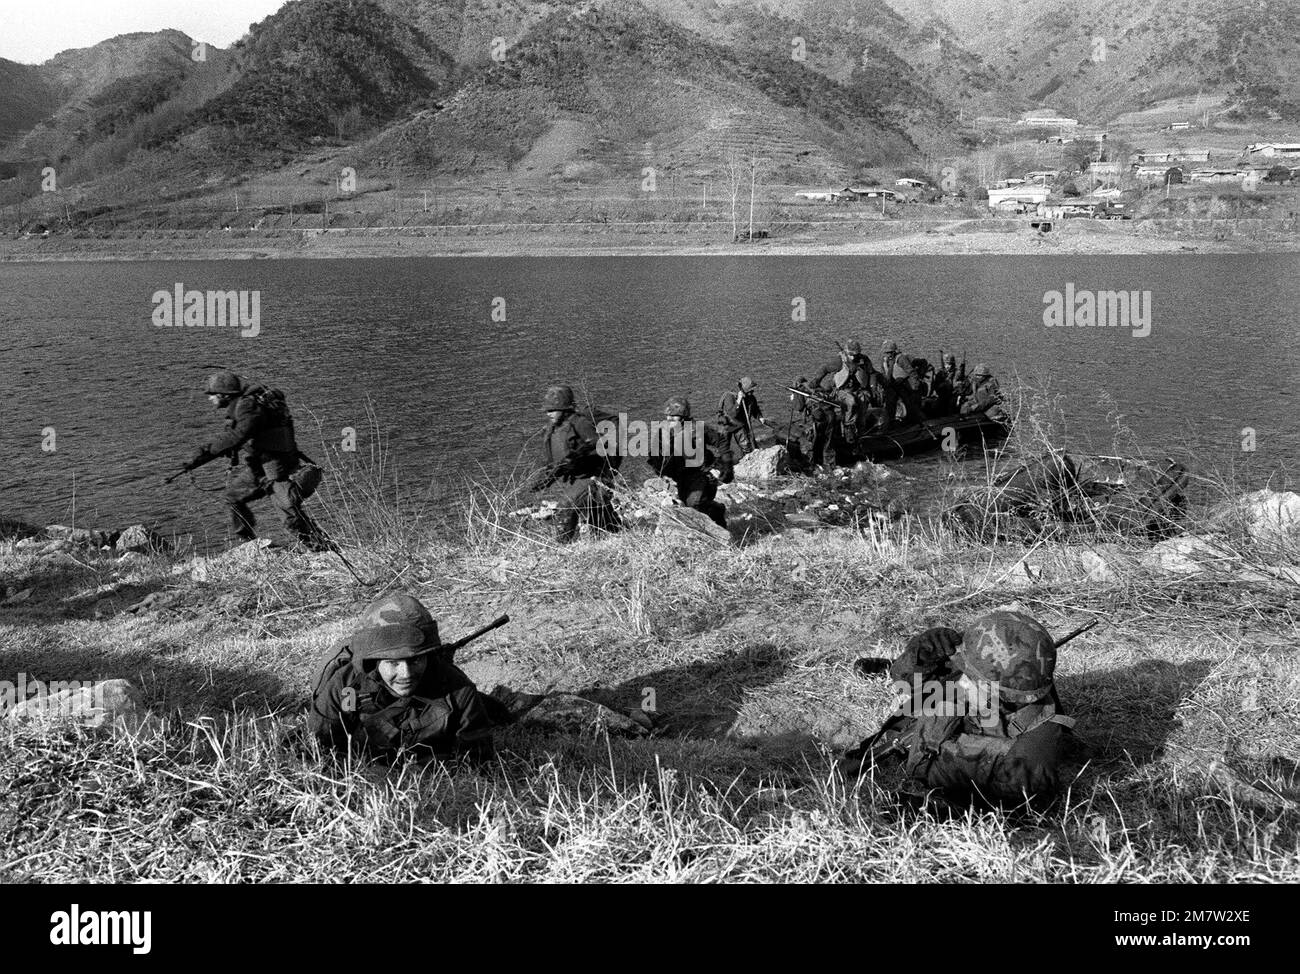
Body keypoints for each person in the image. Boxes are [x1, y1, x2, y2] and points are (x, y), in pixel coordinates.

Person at [838, 610, 1074, 808]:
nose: (962, 682)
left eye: (970, 678)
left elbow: (1019, 806)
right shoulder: (986, 676)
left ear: (1004, 695)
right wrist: (919, 656)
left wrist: (934, 811)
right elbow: (912, 682)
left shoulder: (1034, 746)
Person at [308, 593, 503, 762]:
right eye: (393, 663)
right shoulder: (347, 687)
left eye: (416, 660)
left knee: (495, 711)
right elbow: (317, 750)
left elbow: (478, 764)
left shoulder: (457, 689)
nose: (406, 674)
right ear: (374, 663)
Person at [169, 370, 326, 550]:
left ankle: (323, 549)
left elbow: (239, 436)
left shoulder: (247, 407)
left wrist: (204, 453)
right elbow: (239, 436)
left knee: (290, 515)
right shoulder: (245, 405)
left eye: (212, 395)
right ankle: (250, 545)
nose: (210, 399)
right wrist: (200, 458)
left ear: (223, 394)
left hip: (275, 467)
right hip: (262, 466)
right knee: (233, 496)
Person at [531, 384, 620, 543]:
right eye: (547, 410)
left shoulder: (580, 423)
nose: (549, 413)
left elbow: (600, 447)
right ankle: (622, 535)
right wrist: (544, 479)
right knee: (600, 518)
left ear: (565, 409)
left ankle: (561, 546)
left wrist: (581, 455)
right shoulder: (551, 430)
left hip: (593, 476)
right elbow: (551, 460)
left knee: (567, 506)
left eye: (553, 410)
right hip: (575, 478)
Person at [648, 396, 733, 528]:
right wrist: (660, 470)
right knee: (687, 505)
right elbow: (654, 455)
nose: (669, 419)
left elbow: (721, 440)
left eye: (674, 416)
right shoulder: (663, 432)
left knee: (696, 503)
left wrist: (727, 465)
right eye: (667, 416)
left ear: (683, 416)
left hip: (702, 473)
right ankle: (715, 512)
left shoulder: (697, 429)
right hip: (681, 476)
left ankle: (716, 519)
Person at [813, 340, 875, 440]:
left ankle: (861, 430)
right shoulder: (839, 361)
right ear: (846, 353)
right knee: (851, 402)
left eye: (856, 354)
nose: (854, 357)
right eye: (851, 355)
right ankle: (848, 428)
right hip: (842, 391)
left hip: (859, 390)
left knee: (863, 401)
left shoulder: (864, 360)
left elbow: (872, 373)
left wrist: (873, 388)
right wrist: (816, 381)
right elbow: (824, 368)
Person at [791, 375, 839, 470]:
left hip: (818, 417)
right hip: (830, 415)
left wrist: (794, 397)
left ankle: (810, 464)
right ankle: (829, 464)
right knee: (828, 441)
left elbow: (799, 407)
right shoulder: (816, 387)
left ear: (797, 384)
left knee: (811, 441)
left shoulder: (800, 391)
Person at [717, 377, 766, 456]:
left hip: (740, 423)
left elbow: (755, 409)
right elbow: (732, 414)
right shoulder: (729, 396)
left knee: (747, 446)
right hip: (727, 423)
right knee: (723, 448)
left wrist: (759, 417)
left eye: (752, 390)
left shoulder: (750, 397)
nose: (752, 392)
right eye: (750, 391)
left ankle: (748, 459)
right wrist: (739, 400)